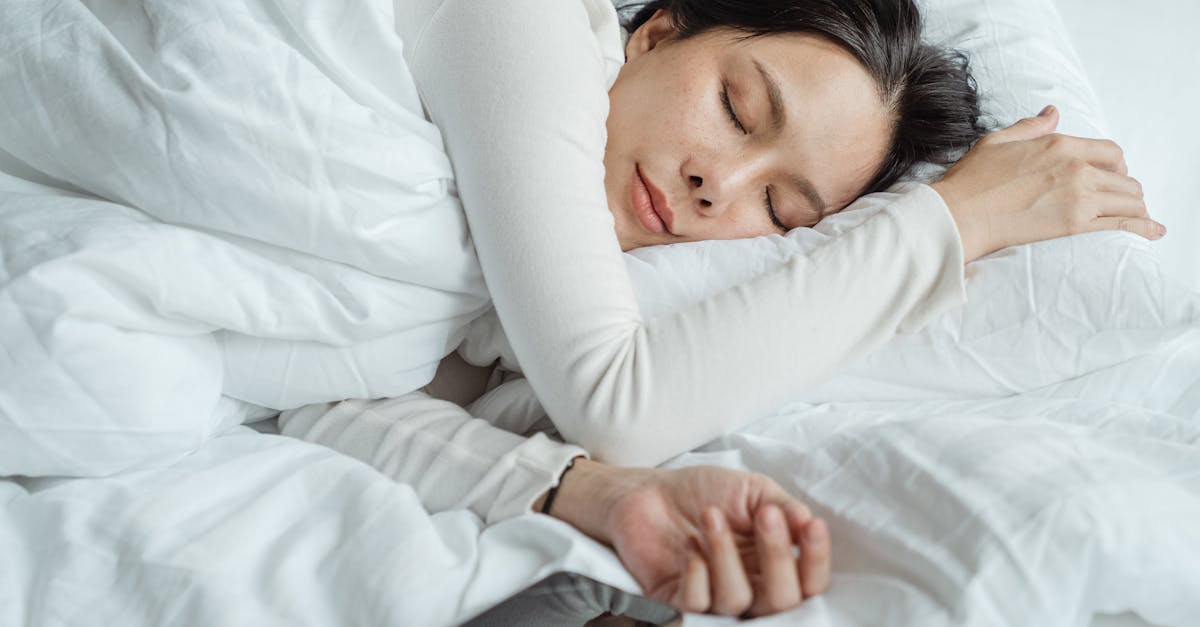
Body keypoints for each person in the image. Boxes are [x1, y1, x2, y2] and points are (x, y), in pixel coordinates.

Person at [280, 0, 1162, 622]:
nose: (717, 185)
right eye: (738, 108)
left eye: (780, 212)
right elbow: (618, 402)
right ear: (656, 33)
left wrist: (588, 493)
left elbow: (318, 401)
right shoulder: (522, 21)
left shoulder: (498, 301)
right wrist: (953, 222)